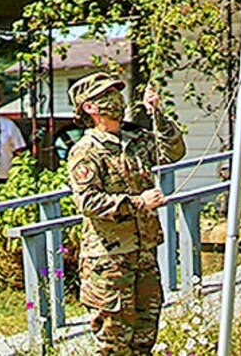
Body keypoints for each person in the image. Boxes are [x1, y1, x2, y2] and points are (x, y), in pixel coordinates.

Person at [66, 72, 185, 355]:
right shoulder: (85, 151)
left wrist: (156, 114)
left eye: (116, 93)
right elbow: (88, 202)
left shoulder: (134, 140)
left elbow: (174, 151)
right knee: (113, 343)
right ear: (89, 108)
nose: (115, 101)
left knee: (144, 338)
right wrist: (138, 203)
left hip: (144, 253)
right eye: (105, 96)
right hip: (109, 261)